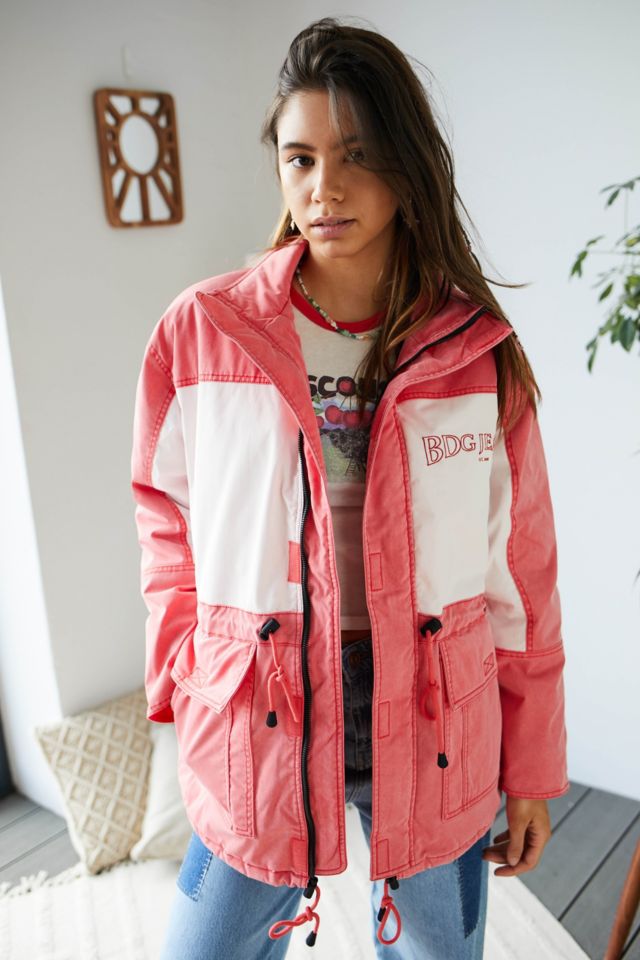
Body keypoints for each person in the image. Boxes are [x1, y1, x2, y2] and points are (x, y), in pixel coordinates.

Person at [130, 15, 570, 959]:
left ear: (408, 168)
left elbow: (521, 576)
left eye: (357, 155)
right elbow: (166, 519)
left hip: (435, 709)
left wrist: (533, 765)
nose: (323, 188)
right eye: (300, 159)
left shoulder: (475, 352)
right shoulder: (201, 332)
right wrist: (183, 674)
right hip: (260, 699)